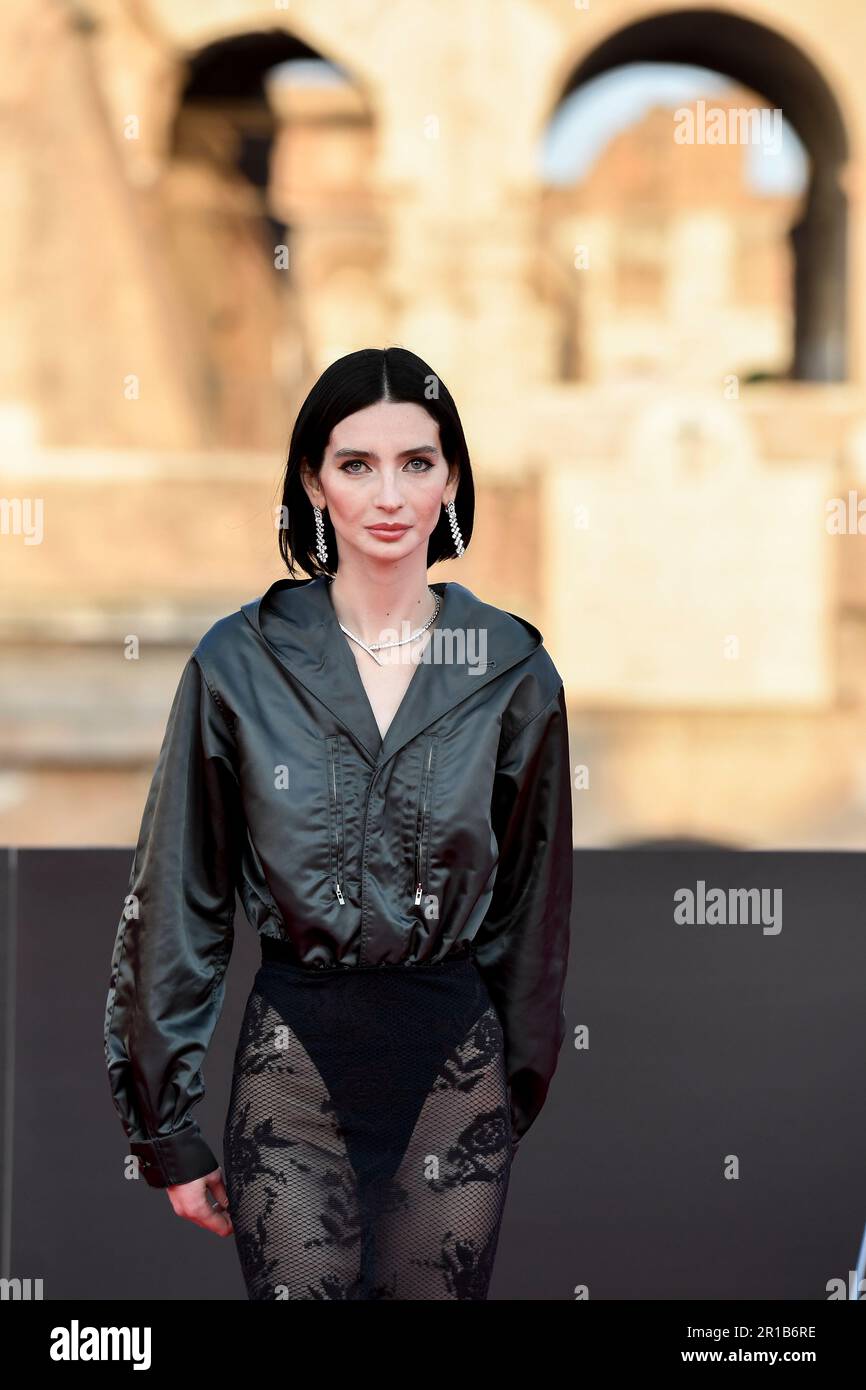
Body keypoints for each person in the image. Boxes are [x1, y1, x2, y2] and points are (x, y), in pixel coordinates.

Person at [103, 346, 574, 1300]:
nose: (389, 494)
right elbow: (179, 895)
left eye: (418, 462)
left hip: (455, 1071)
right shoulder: (240, 661)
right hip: (293, 1069)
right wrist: (166, 1121)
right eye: (356, 464)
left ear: (451, 480)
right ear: (314, 482)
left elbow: (535, 909)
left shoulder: (512, 668)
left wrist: (511, 1090)